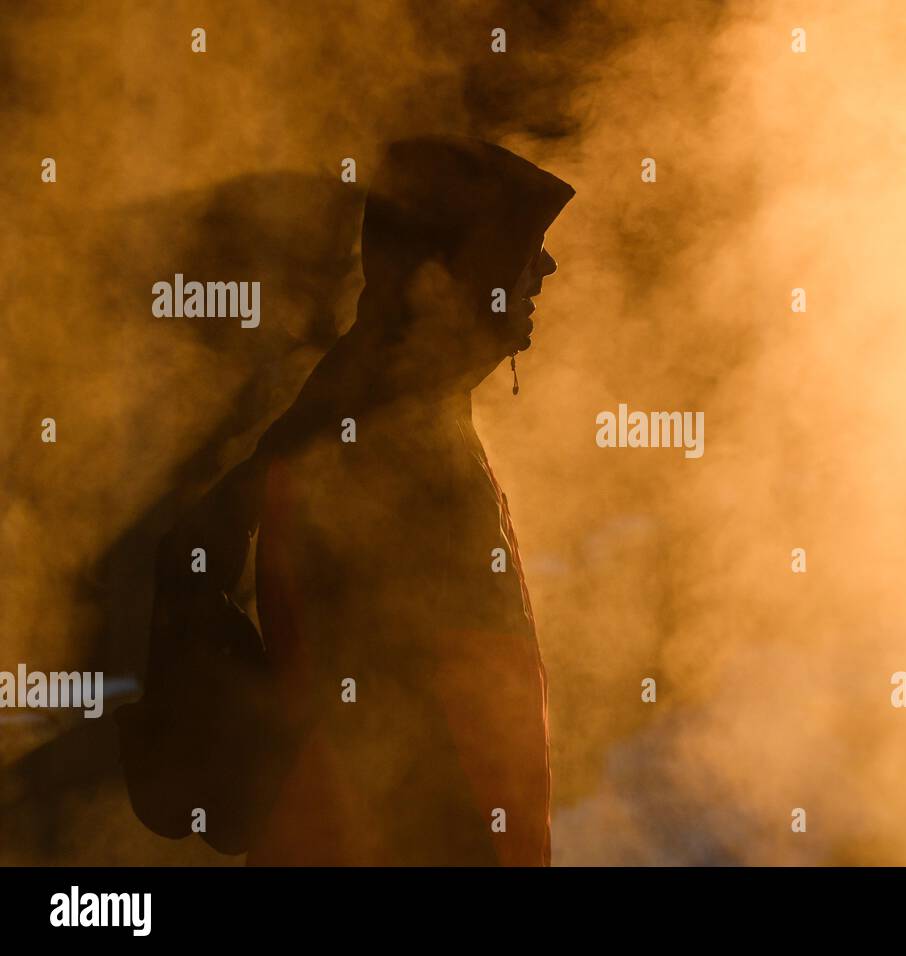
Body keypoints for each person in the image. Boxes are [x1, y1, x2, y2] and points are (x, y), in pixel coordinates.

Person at [117, 136, 574, 866]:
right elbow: (411, 734)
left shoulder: (390, 410)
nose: (545, 270)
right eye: (524, 247)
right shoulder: (383, 440)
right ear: (444, 278)